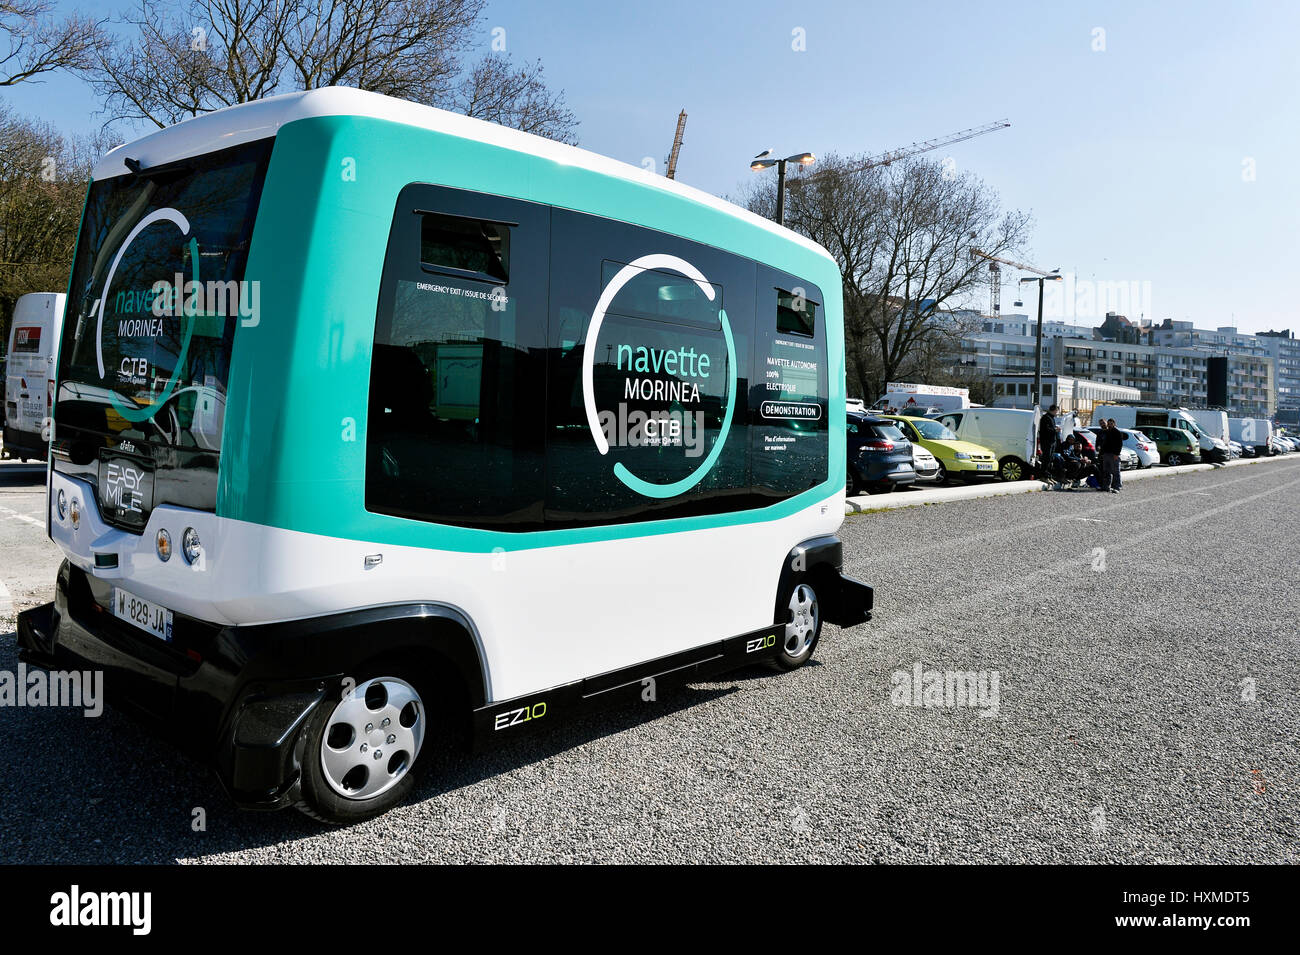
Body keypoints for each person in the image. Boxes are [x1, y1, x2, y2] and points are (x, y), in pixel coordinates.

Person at [1097, 418, 1124, 493]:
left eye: (1111, 423)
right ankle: (1106, 486)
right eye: (1109, 423)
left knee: (1116, 471)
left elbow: (1120, 444)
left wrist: (1117, 454)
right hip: (1106, 454)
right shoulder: (1107, 432)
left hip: (1114, 455)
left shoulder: (1117, 432)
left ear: (1114, 424)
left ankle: (1117, 487)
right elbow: (1104, 444)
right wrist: (1102, 453)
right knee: (1106, 471)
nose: (1109, 425)